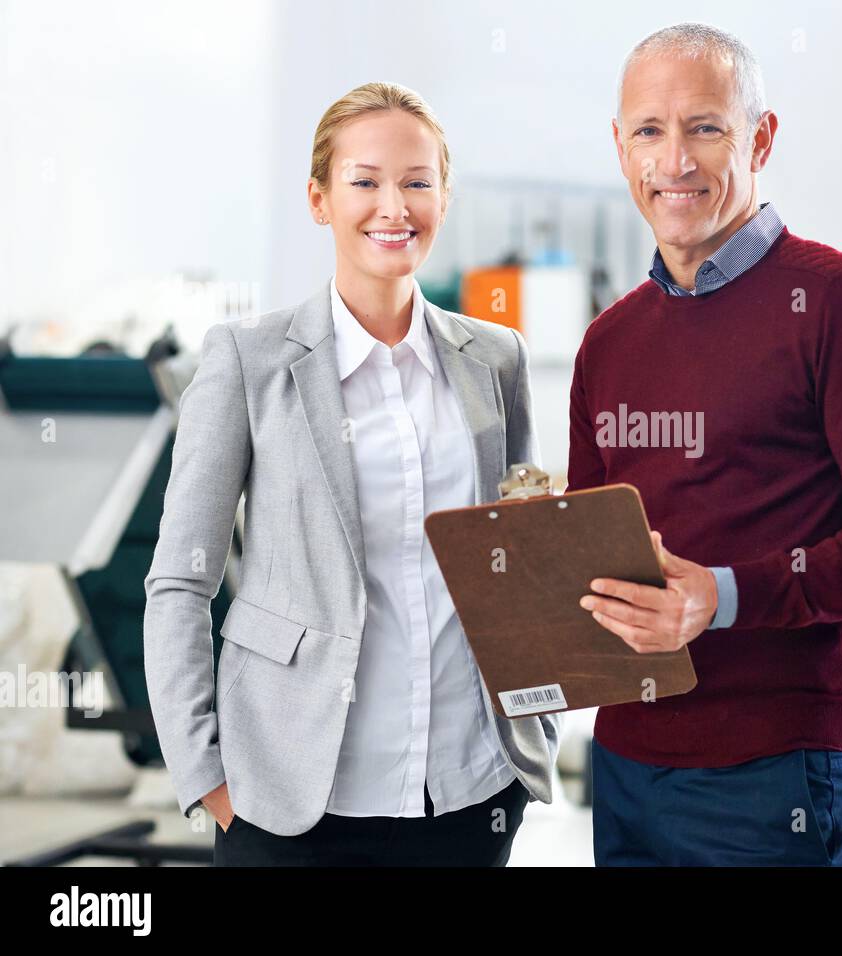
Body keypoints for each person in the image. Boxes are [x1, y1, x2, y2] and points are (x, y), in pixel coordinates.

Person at [143, 81, 559, 866]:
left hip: (467, 790)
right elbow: (179, 584)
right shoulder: (248, 359)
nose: (393, 206)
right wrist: (207, 778)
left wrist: (532, 736)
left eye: (416, 181)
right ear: (319, 199)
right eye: (364, 181)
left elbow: (521, 569)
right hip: (290, 796)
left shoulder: (496, 358)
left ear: (443, 194)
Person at [568, 24, 842, 866]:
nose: (674, 162)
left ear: (761, 138)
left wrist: (727, 596)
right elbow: (594, 549)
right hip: (626, 764)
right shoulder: (608, 341)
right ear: (620, 146)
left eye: (704, 127)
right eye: (649, 130)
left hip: (776, 773)